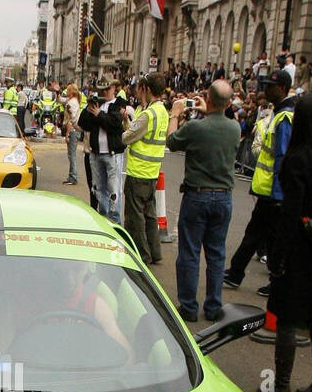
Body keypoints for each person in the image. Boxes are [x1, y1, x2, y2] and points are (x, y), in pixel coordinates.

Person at [259, 93, 312, 392]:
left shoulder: (298, 158)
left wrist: (277, 256)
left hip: (298, 246)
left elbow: (290, 212)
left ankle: (281, 385)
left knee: (287, 316)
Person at [166, 81, 241, 323]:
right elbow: (219, 121)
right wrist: (210, 109)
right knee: (216, 254)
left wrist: (175, 115)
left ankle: (188, 306)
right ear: (229, 103)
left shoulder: (196, 128)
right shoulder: (235, 129)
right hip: (223, 196)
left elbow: (172, 141)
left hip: (197, 195)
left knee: (189, 252)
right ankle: (213, 306)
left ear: (207, 98)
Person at [223, 70, 294, 290]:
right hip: (267, 191)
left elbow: (282, 157)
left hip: (273, 193)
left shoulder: (285, 117)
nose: (265, 91)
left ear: (282, 88)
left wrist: (278, 193)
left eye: (270, 87)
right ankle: (237, 272)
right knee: (257, 234)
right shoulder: (278, 114)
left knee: (267, 238)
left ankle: (274, 281)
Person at [121, 71, 169, 259]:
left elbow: (128, 137)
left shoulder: (148, 115)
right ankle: (154, 252)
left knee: (135, 217)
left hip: (138, 171)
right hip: (152, 171)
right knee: (149, 214)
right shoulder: (162, 112)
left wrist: (125, 125)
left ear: (146, 89)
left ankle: (142, 254)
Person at [78, 78, 124, 219]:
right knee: (99, 189)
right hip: (96, 153)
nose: (104, 92)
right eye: (101, 90)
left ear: (113, 89)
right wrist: (88, 108)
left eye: (107, 89)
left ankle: (115, 221)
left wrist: (99, 115)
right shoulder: (97, 104)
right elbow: (83, 124)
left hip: (112, 154)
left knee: (114, 191)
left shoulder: (118, 104)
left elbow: (115, 125)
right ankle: (104, 218)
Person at [63, 83, 81, 184]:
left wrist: (67, 134)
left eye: (68, 90)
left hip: (72, 130)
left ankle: (73, 176)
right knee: (71, 154)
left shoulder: (72, 103)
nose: (66, 92)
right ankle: (71, 176)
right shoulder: (73, 101)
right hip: (73, 130)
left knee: (72, 155)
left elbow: (71, 119)